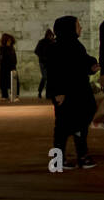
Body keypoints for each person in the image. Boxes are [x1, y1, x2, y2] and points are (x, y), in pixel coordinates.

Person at [45, 15, 97, 170]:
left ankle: (82, 156)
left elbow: (82, 63)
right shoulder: (57, 48)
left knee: (80, 126)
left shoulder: (75, 45)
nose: (80, 28)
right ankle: (58, 161)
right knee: (62, 128)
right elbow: (54, 72)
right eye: (77, 25)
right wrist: (58, 92)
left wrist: (92, 65)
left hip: (78, 93)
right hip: (66, 95)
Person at [36, 28, 56, 99]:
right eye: (50, 35)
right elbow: (37, 51)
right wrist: (43, 57)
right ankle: (40, 92)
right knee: (45, 77)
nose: (51, 37)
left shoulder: (53, 42)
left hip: (50, 63)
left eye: (52, 36)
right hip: (43, 63)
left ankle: (48, 94)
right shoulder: (42, 42)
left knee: (49, 78)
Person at [0, 33, 18, 100]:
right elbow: (2, 58)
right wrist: (7, 47)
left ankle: (14, 94)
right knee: (4, 82)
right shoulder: (2, 48)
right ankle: (4, 95)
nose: (9, 42)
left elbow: (14, 57)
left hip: (12, 66)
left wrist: (14, 63)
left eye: (10, 40)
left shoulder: (12, 48)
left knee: (14, 81)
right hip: (4, 68)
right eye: (8, 40)